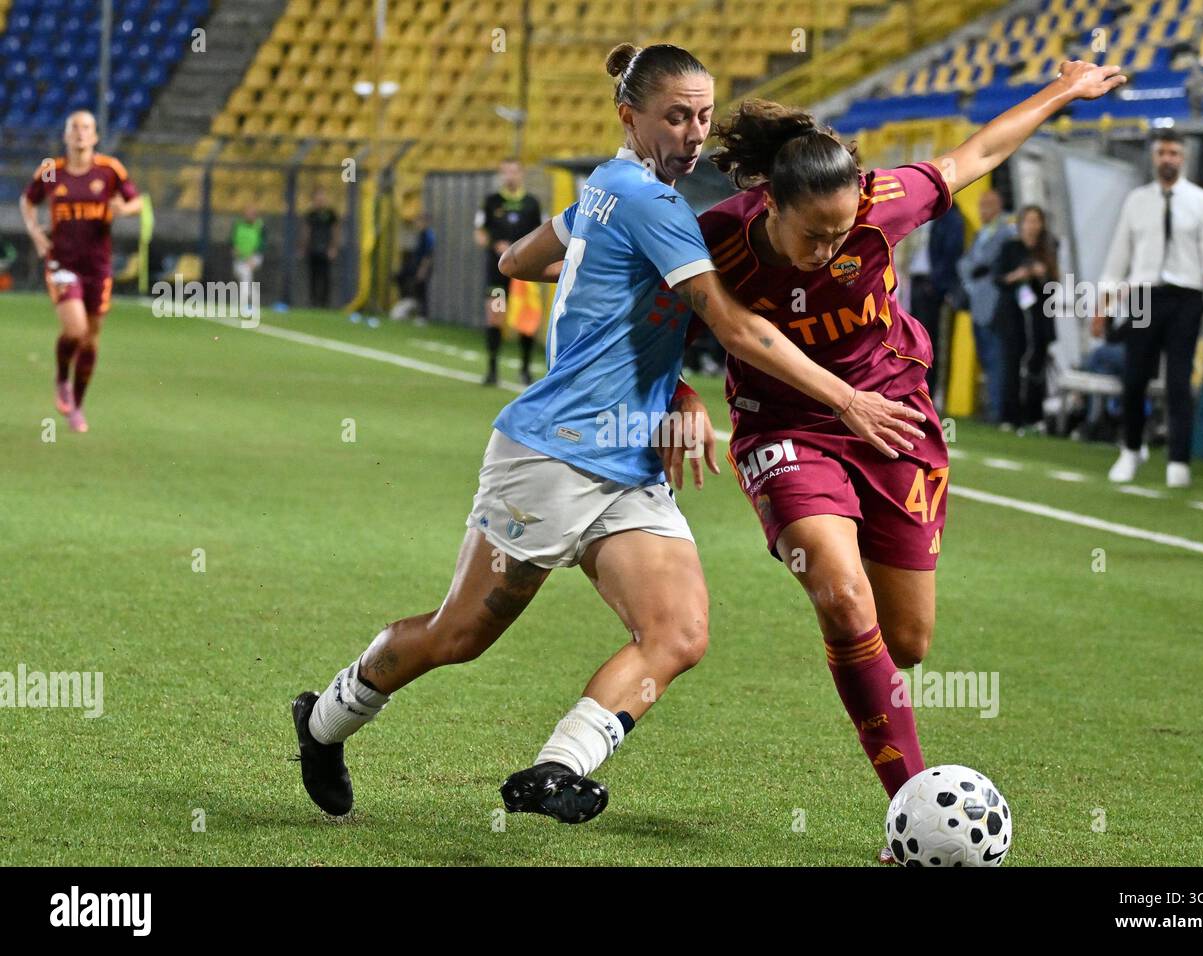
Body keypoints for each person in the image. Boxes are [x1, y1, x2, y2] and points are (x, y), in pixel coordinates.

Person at [291, 42, 892, 827]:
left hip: (631, 462)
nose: (693, 132)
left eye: (704, 116)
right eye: (675, 116)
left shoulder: (606, 191)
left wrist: (628, 316)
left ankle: (556, 768)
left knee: (678, 632)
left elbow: (517, 258)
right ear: (628, 116)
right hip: (551, 454)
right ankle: (322, 721)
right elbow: (736, 329)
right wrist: (848, 401)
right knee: (460, 634)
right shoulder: (654, 205)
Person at [692, 59, 1124, 857]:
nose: (830, 247)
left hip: (895, 422)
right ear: (769, 205)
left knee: (910, 641)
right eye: (812, 234)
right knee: (843, 595)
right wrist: (675, 394)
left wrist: (1065, 91)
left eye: (840, 230)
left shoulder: (882, 204)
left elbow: (978, 155)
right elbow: (641, 306)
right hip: (785, 427)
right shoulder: (717, 236)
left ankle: (869, 690)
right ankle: (913, 817)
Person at [1096, 128, 1203, 488]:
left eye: (1174, 152)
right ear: (1154, 157)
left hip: (1186, 296)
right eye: (1162, 153)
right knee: (1135, 377)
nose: (1168, 158)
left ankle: (1179, 461)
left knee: (1178, 381)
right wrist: (1103, 305)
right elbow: (1118, 257)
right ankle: (1130, 448)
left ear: (1182, 157)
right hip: (1143, 294)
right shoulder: (1136, 201)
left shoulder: (1202, 202)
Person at [18, 109, 143, 433]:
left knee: (90, 340)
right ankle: (61, 379)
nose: (80, 133)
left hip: (98, 265)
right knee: (75, 329)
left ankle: (77, 404)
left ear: (96, 136)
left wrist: (123, 208)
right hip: (62, 262)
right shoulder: (51, 171)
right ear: (65, 135)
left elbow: (137, 202)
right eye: (74, 127)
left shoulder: (110, 169)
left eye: (86, 127)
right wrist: (35, 233)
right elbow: (27, 201)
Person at [475, 159, 543, 385]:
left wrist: (522, 250)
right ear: (501, 174)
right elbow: (480, 234)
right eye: (506, 172)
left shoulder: (531, 204)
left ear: (521, 174)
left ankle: (525, 369)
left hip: (524, 274)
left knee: (526, 318)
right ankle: (492, 369)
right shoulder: (491, 202)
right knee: (496, 317)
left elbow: (541, 235)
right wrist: (496, 246)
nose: (510, 176)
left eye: (514, 172)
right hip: (498, 274)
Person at [993, 205, 1059, 430]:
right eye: (1028, 221)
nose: (1032, 226)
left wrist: (1042, 273)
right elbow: (997, 278)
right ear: (1021, 223)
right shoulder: (1010, 248)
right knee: (1011, 363)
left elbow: (1054, 283)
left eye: (1036, 221)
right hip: (1013, 313)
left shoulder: (1047, 249)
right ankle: (1010, 416)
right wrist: (1017, 275)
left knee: (1037, 363)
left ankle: (1034, 415)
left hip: (1039, 313)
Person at [958, 189, 1014, 422]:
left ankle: (997, 411)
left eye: (987, 206)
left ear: (998, 207)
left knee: (996, 358)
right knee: (985, 355)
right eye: (981, 206)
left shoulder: (1005, 233)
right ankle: (991, 406)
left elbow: (983, 261)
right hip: (977, 301)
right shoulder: (981, 233)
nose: (983, 211)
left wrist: (971, 268)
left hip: (993, 303)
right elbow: (963, 264)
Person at [906, 203, 966, 397]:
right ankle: (910, 389)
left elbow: (952, 253)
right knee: (910, 340)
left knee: (930, 341)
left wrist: (936, 283)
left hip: (932, 286)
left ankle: (929, 392)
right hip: (912, 282)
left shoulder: (950, 216)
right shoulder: (917, 213)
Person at [302, 188, 339, 308]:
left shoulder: (331, 214)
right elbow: (306, 231)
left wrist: (333, 247)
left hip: (326, 249)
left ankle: (325, 302)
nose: (320, 200)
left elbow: (335, 231)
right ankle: (313, 302)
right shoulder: (311, 214)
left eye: (322, 198)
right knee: (313, 276)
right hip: (313, 249)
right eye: (318, 198)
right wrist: (304, 247)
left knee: (326, 276)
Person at [231, 205, 264, 300]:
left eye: (252, 214)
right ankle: (254, 298)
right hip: (240, 257)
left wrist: (253, 257)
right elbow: (232, 240)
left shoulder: (260, 225)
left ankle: (244, 301)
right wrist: (234, 248)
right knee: (243, 274)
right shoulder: (238, 224)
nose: (250, 216)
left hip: (254, 257)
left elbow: (262, 244)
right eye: (247, 214)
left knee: (246, 272)